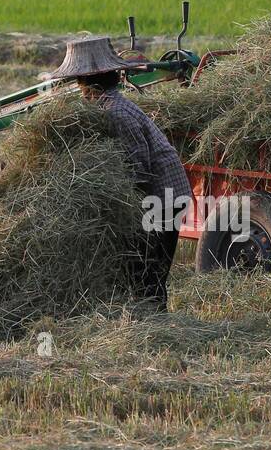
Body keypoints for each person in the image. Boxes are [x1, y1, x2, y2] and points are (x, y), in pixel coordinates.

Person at [48, 36, 192, 309]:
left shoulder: (116, 112)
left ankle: (154, 323)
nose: (80, 93)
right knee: (142, 268)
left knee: (148, 268)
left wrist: (122, 205)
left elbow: (139, 165)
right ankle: (151, 317)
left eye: (80, 86)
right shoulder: (110, 106)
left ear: (89, 85)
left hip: (162, 197)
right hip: (163, 194)